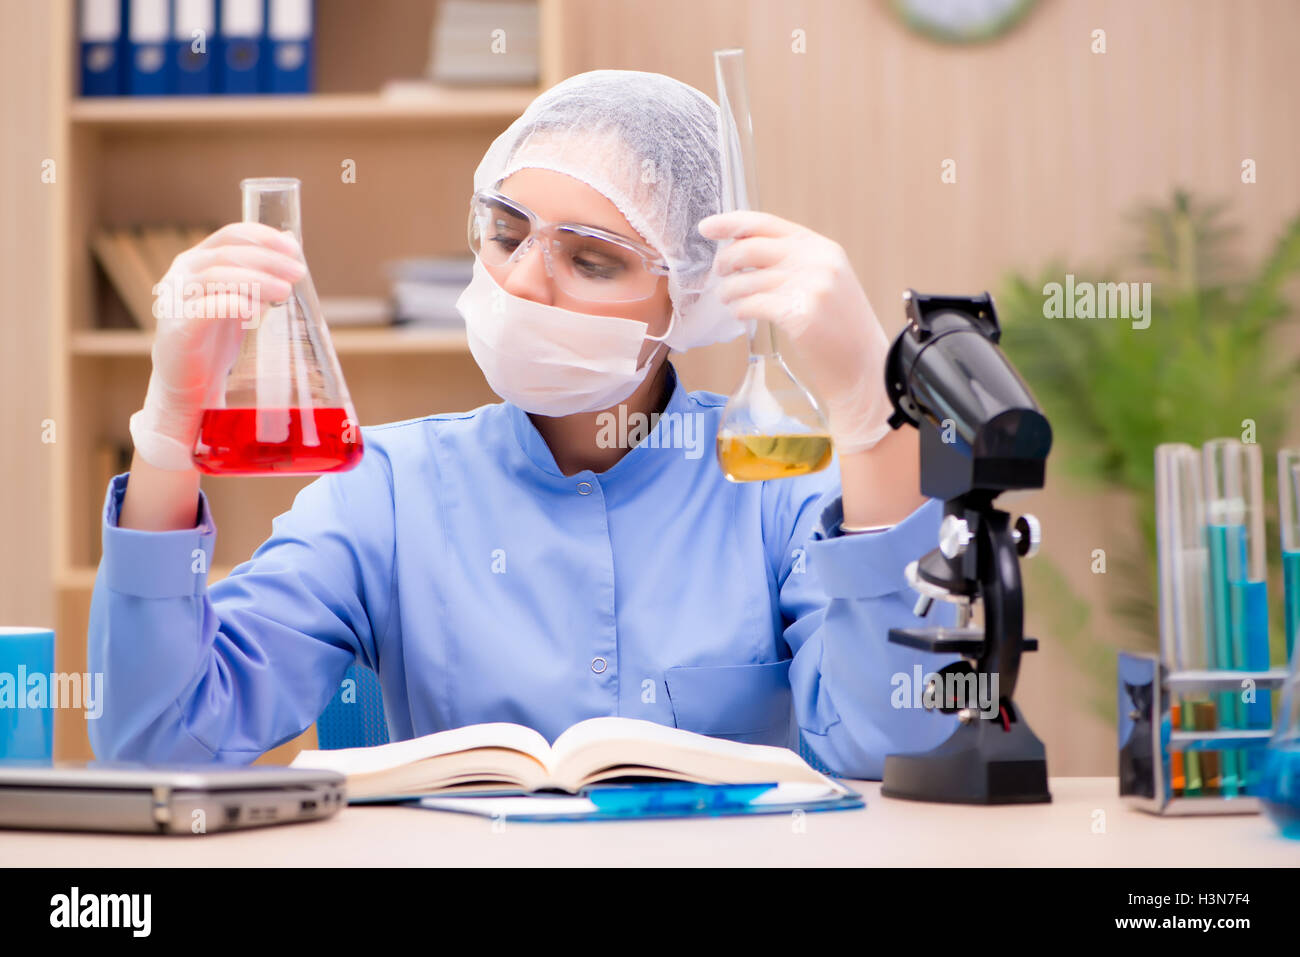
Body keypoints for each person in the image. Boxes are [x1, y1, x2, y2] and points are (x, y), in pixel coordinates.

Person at [88, 70, 959, 777]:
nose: (525, 284)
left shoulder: (772, 483)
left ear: (687, 294)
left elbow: (894, 745)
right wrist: (170, 424)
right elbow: (158, 739)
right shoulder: (385, 489)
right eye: (506, 235)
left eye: (590, 259)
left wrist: (868, 416)